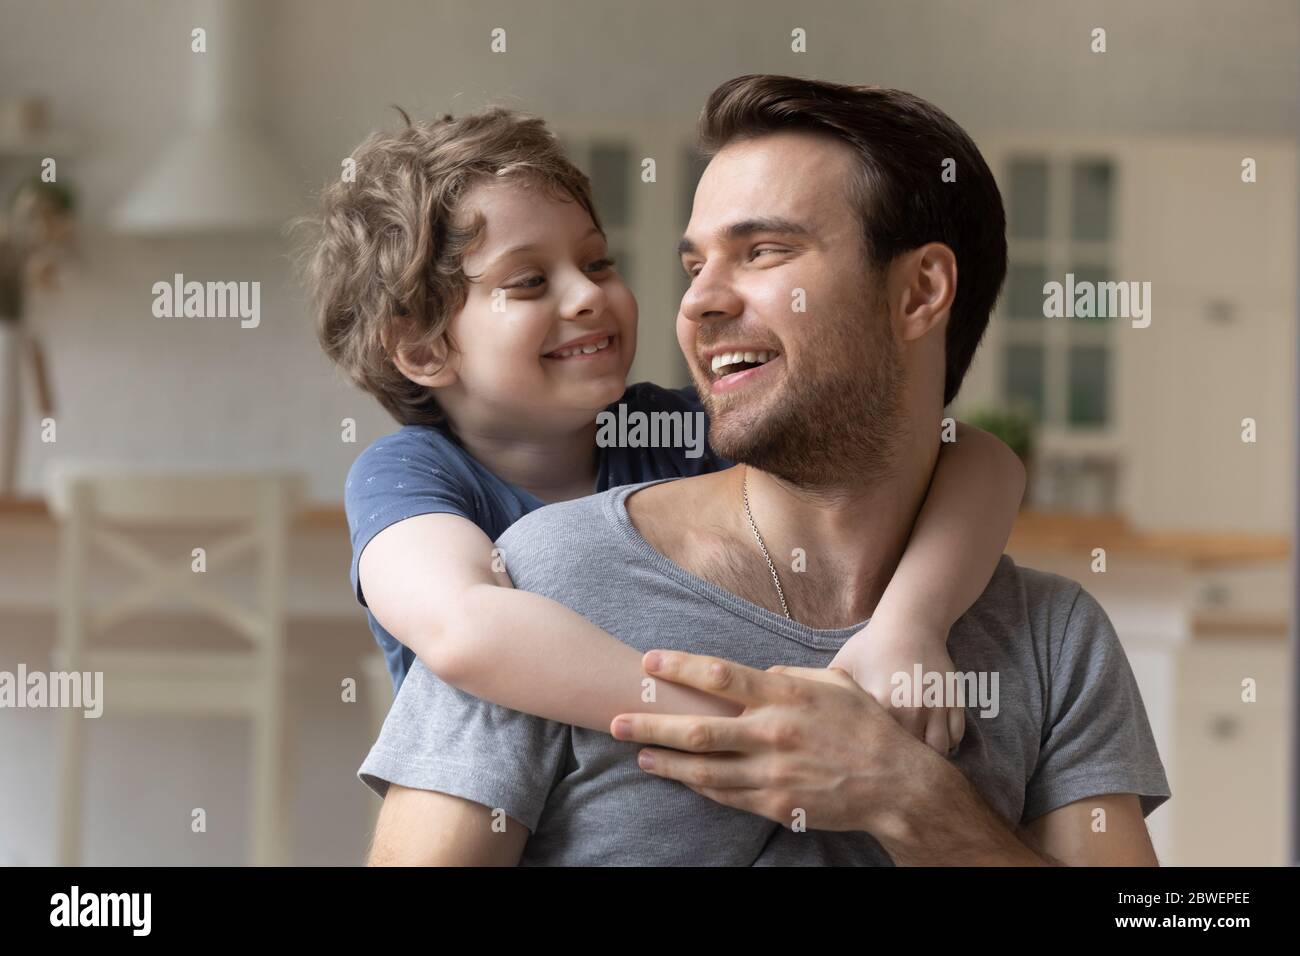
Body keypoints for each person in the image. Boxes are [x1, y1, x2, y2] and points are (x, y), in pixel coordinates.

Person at [359, 75, 1170, 866]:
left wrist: (910, 796)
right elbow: (465, 630)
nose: (696, 303)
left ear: (922, 291)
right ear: (426, 348)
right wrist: (762, 727)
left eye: (764, 251)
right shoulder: (526, 585)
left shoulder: (1056, 637)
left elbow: (978, 456)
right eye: (694, 266)